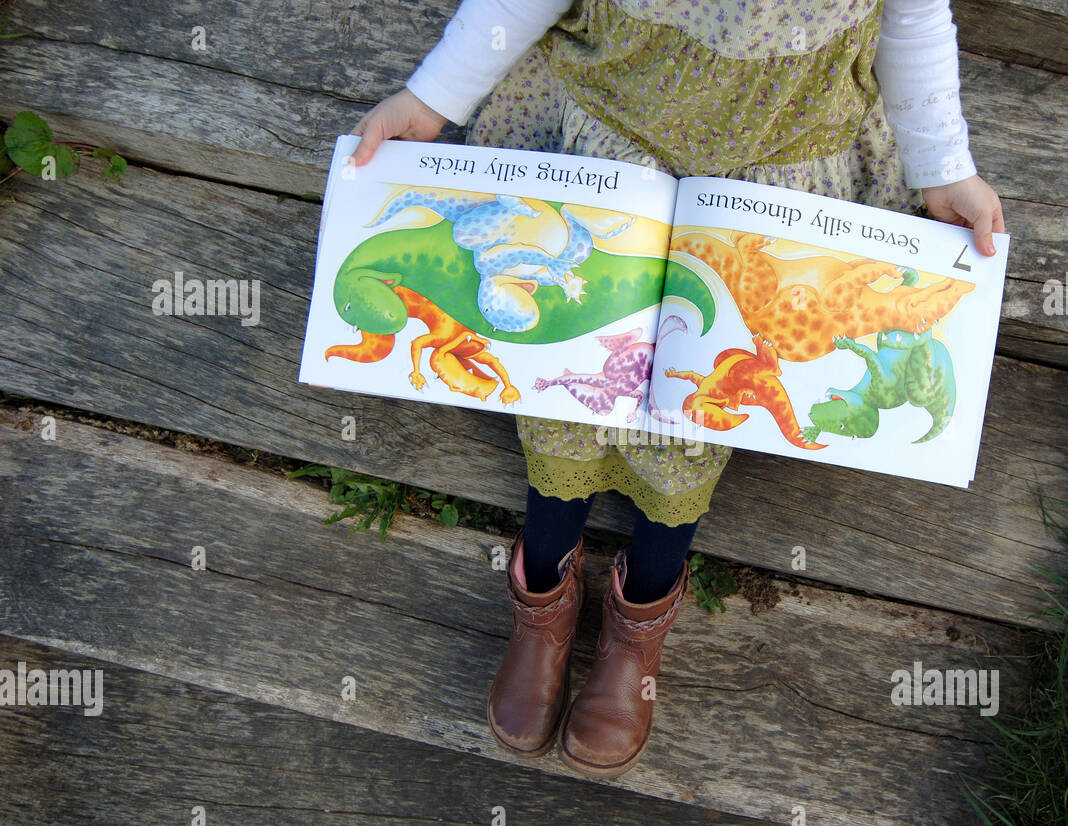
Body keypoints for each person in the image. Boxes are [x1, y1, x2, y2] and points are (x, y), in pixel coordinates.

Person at [347, 0, 1005, 778]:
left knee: (697, 409)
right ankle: (544, 589)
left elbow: (915, 21)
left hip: (774, 166)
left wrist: (944, 166)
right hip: (614, 134)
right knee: (570, 384)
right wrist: (432, 97)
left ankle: (642, 611)